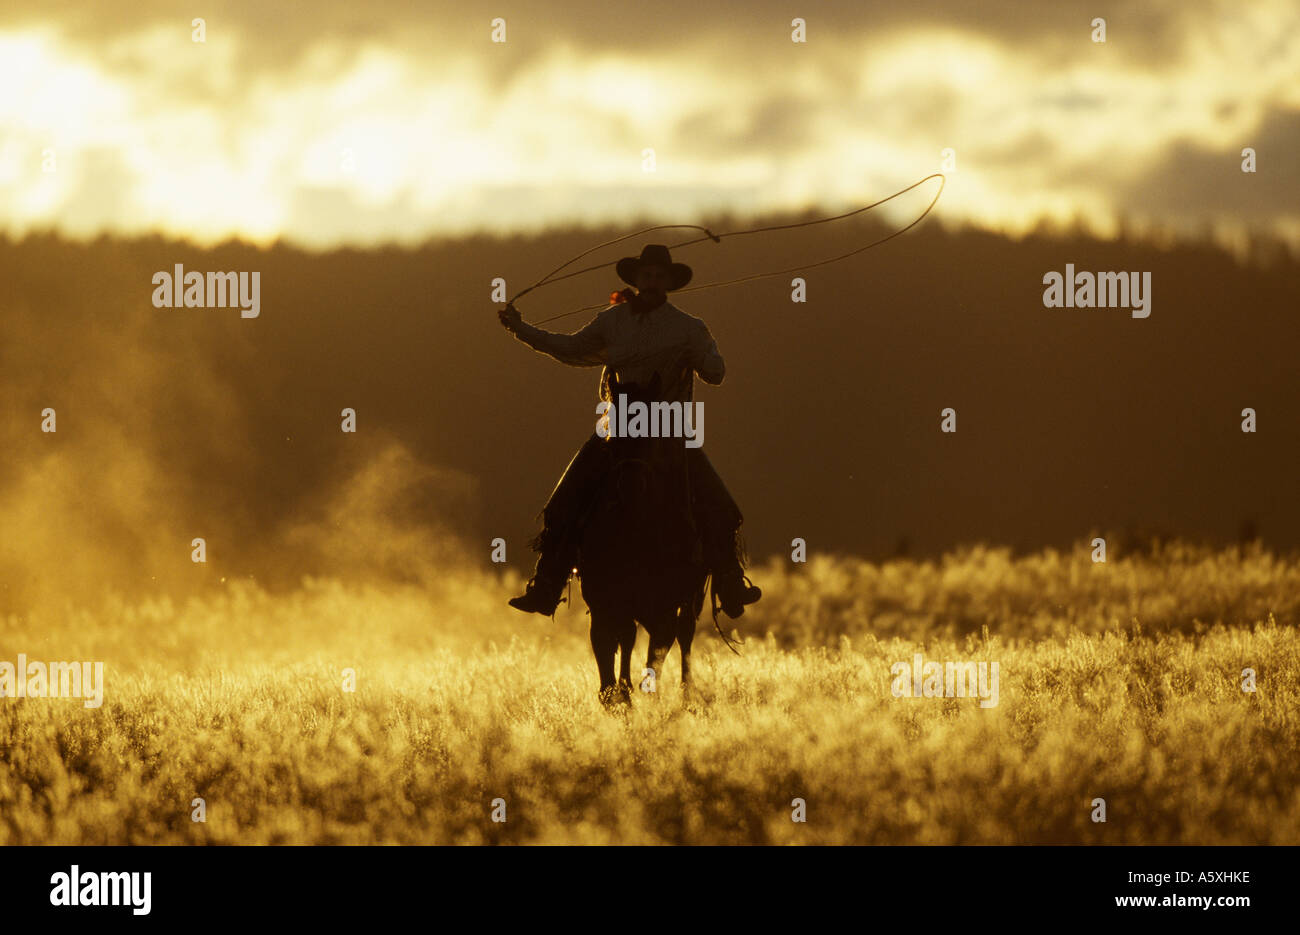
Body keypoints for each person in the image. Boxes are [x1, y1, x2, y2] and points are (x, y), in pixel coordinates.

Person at [497, 243, 761, 618]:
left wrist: (706, 353)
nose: (652, 280)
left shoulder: (689, 328)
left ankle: (730, 582)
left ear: (669, 282)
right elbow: (570, 348)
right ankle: (546, 585)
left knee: (722, 507)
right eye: (647, 275)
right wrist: (521, 329)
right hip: (617, 431)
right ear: (636, 280)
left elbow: (715, 374)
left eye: (659, 276)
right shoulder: (611, 321)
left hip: (669, 433)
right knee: (561, 504)